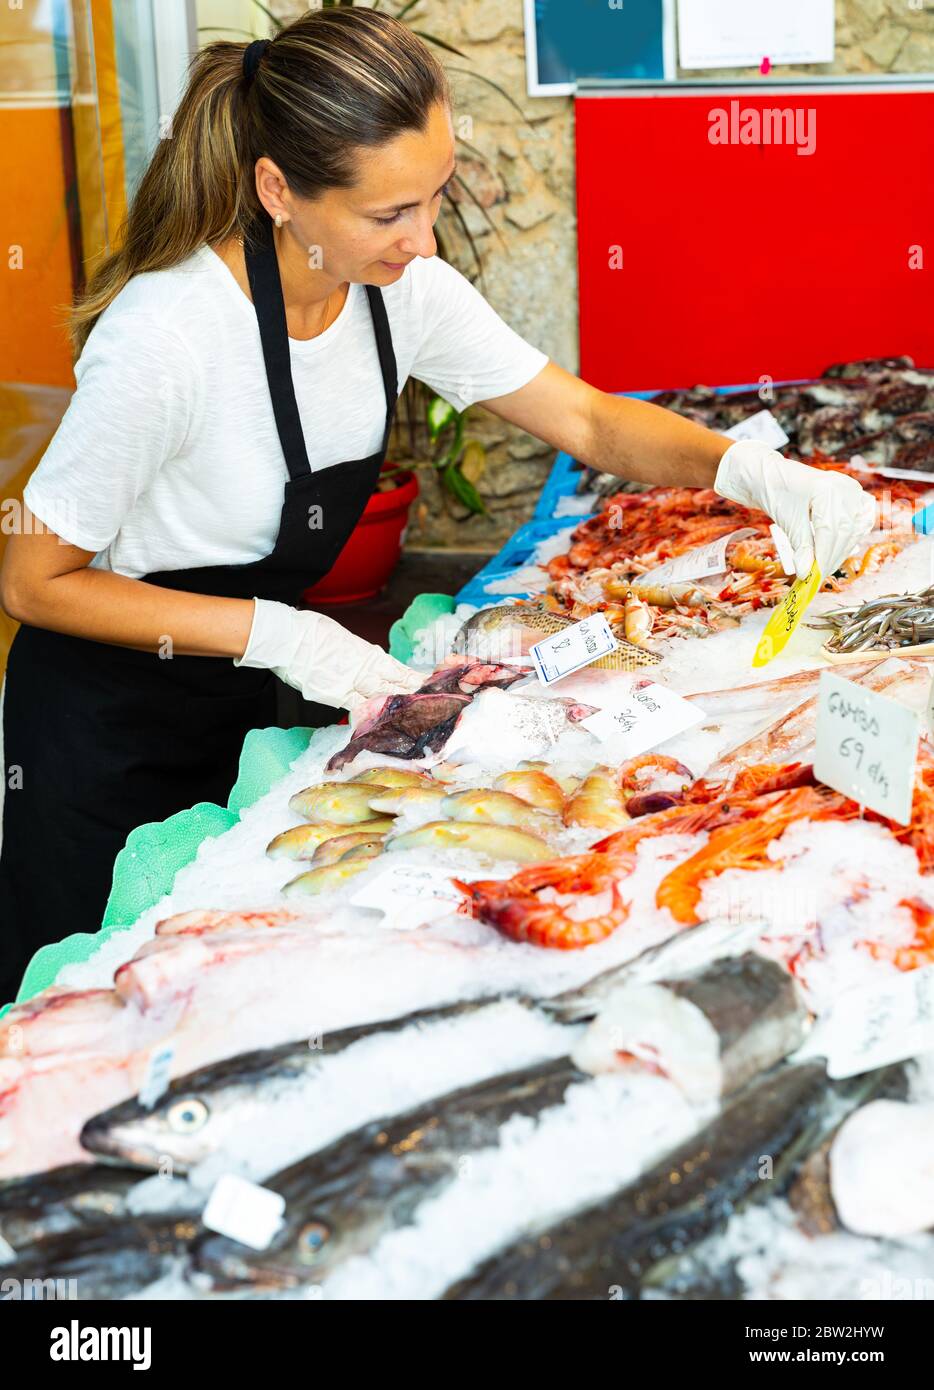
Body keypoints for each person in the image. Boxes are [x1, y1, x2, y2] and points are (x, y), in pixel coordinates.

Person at [0, 9, 875, 1001]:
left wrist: (755, 471)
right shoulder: (168, 337)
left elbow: (585, 421)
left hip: (234, 703)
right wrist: (280, 634)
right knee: (91, 1004)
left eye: (434, 197)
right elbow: (32, 578)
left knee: (223, 968)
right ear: (278, 191)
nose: (421, 239)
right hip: (99, 732)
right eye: (387, 215)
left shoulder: (399, 291)